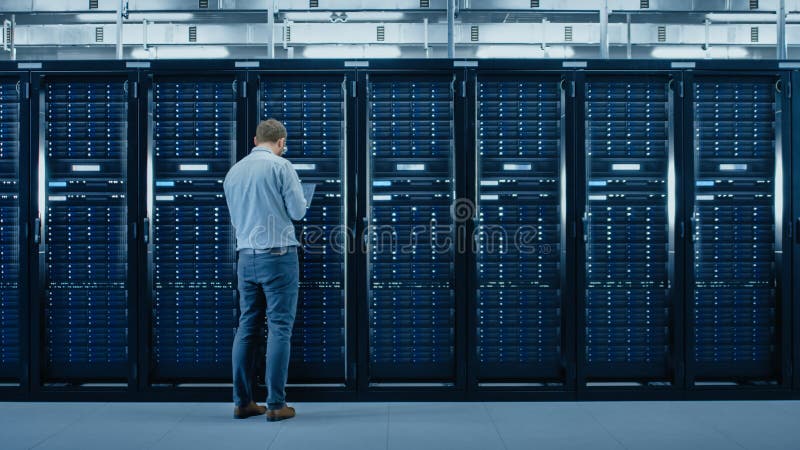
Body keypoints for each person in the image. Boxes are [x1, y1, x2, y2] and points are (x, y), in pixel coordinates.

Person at [223, 118, 307, 422]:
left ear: (256, 141)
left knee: (247, 327)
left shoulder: (234, 172)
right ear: (281, 142)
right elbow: (298, 212)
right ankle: (275, 404)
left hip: (246, 256)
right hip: (278, 254)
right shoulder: (281, 167)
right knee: (279, 327)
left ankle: (242, 402)